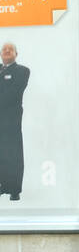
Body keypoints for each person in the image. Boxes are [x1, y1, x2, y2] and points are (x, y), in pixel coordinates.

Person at [0, 41, 30, 200]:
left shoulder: (22, 71)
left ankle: (14, 189)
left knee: (13, 152)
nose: (6, 51)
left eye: (10, 49)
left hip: (10, 119)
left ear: (16, 54)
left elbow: (14, 92)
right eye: (4, 49)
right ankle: (2, 185)